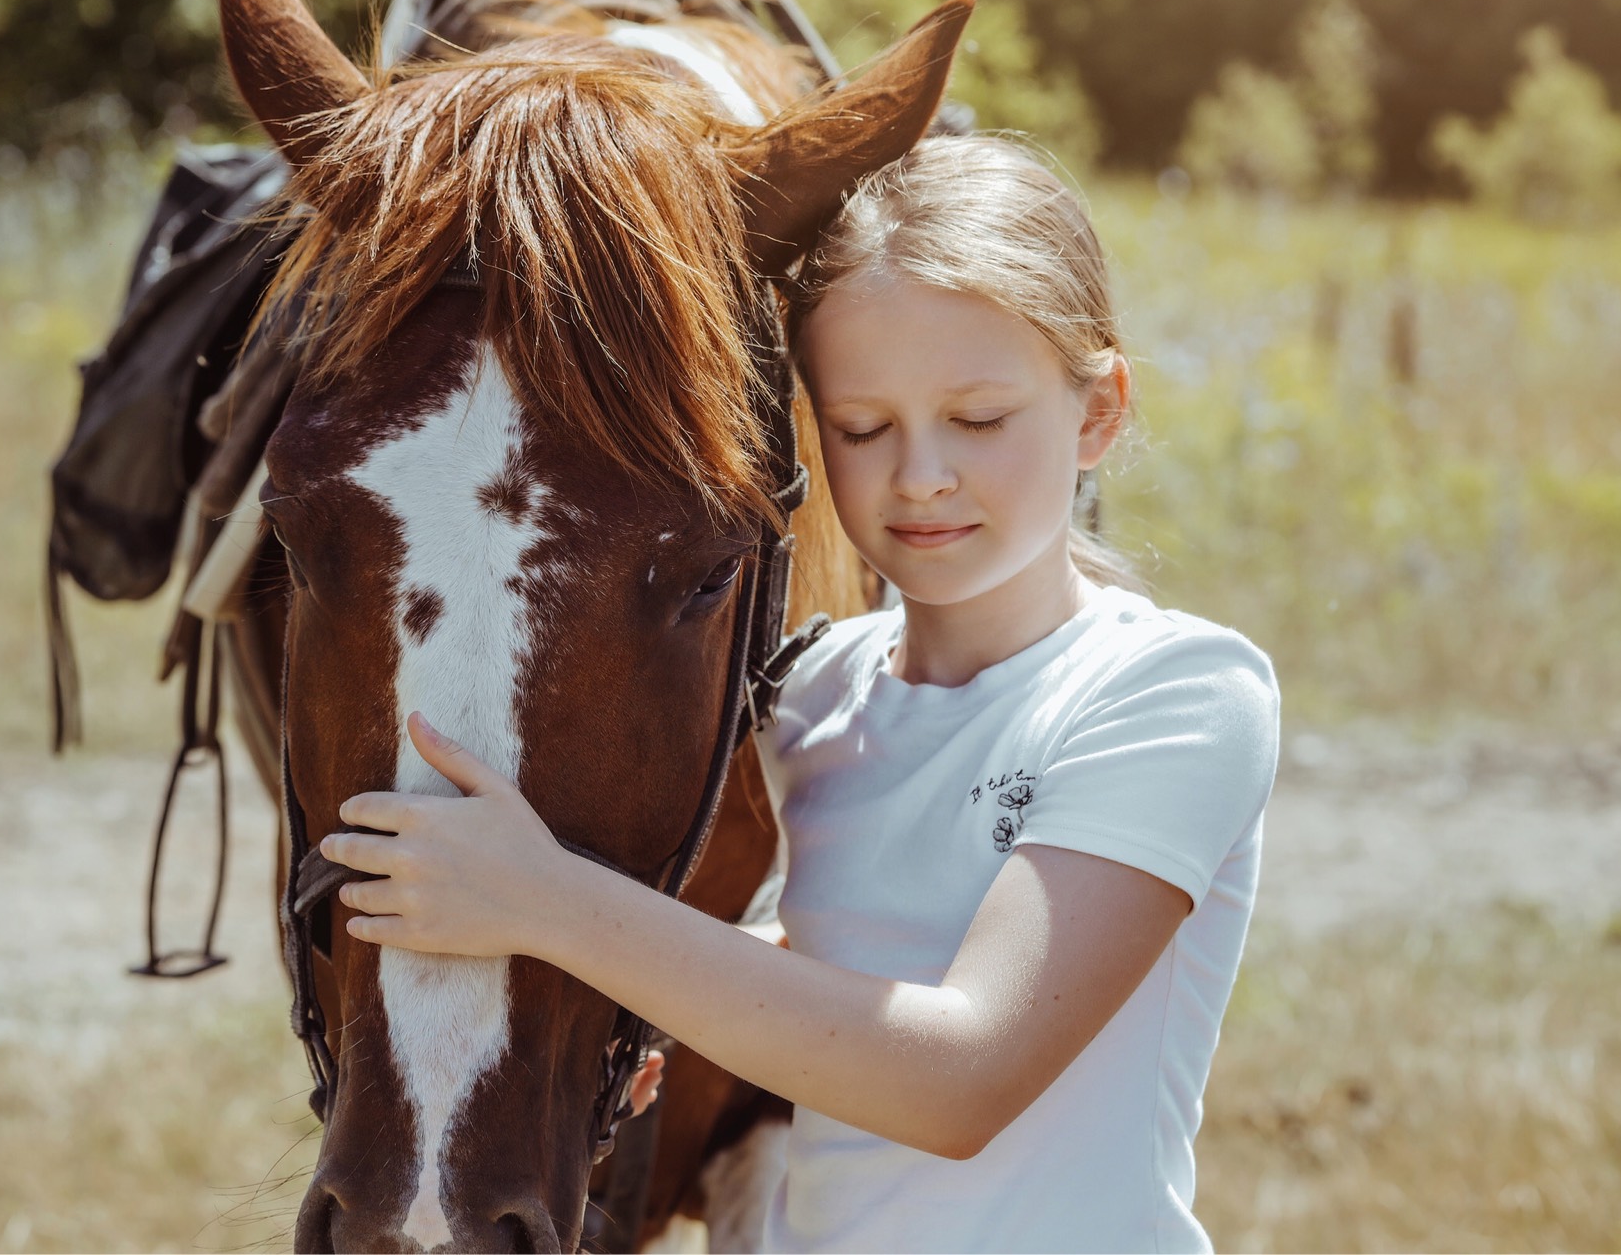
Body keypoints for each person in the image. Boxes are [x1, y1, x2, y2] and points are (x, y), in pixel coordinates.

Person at [323, 135, 1282, 1253]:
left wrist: (547, 900)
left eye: (977, 418)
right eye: (861, 428)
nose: (918, 474)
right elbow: (869, 929)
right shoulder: (817, 689)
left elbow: (959, 1079)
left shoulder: (1173, 692)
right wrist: (668, 1016)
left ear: (1097, 410)